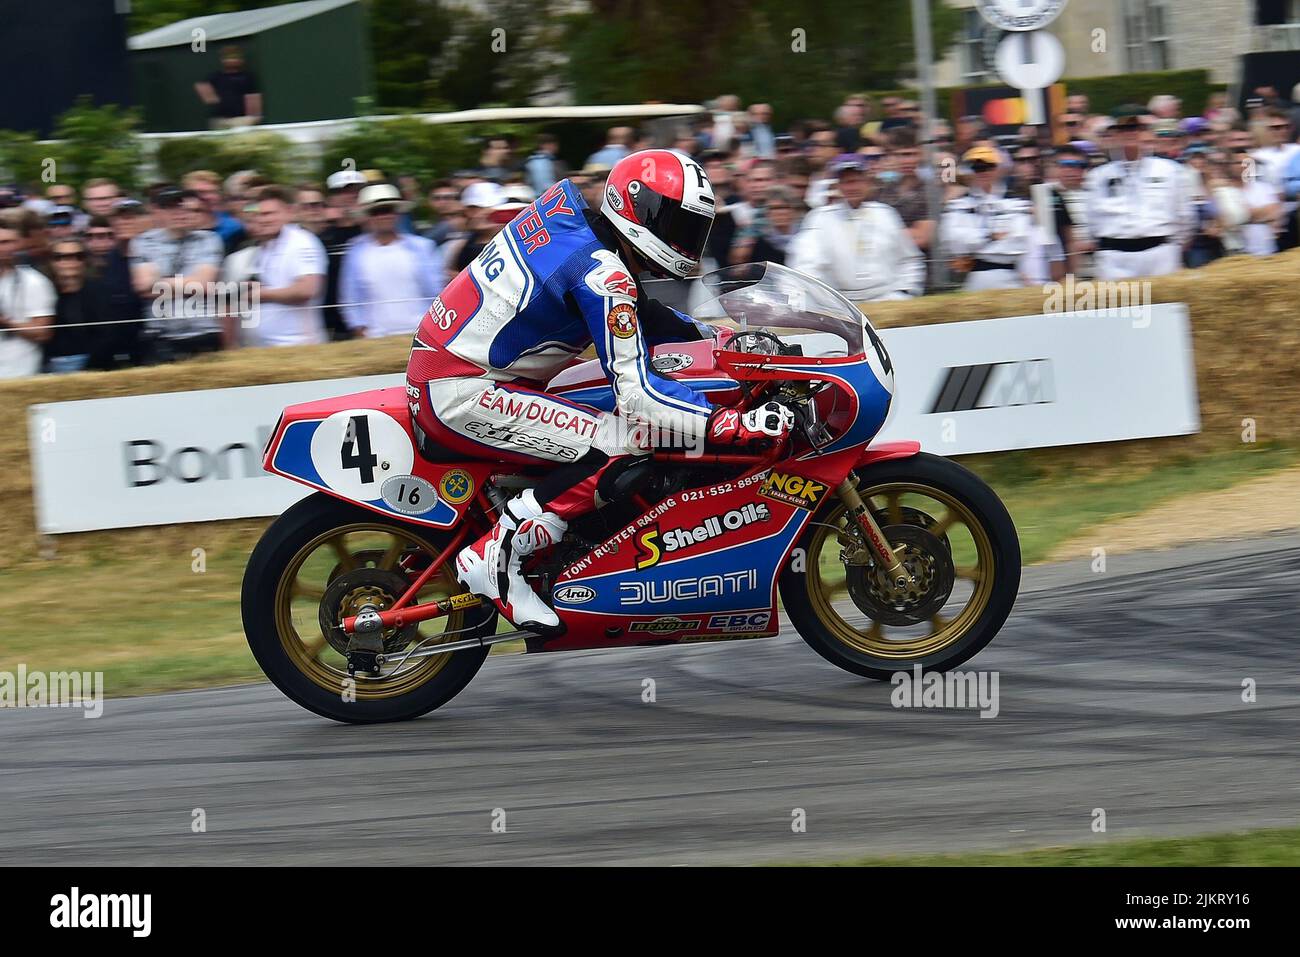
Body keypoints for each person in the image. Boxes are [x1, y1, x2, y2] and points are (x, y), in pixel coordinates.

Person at [405, 150, 793, 632]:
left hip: (460, 368)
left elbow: (642, 312)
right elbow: (639, 398)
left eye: (694, 229)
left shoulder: (572, 218)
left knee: (609, 412)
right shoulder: (601, 274)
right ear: (636, 209)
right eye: (674, 223)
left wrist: (717, 337)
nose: (684, 241)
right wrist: (728, 423)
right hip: (464, 390)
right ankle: (497, 553)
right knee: (631, 440)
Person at [788, 154, 924, 300]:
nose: (852, 187)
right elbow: (807, 263)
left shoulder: (886, 214)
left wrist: (905, 292)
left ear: (867, 182)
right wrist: (820, 298)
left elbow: (909, 260)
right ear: (838, 185)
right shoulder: (820, 218)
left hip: (888, 299)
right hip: (841, 303)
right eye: (846, 182)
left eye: (857, 181)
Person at [1085, 105, 1193, 280]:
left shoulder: (1170, 170)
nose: (1130, 133)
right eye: (1123, 129)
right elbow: (1092, 224)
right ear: (1113, 135)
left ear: (1146, 132)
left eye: (1136, 128)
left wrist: (1171, 247)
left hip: (1160, 255)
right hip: (1115, 259)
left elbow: (1185, 218)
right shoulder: (1098, 176)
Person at [128, 187, 225, 361]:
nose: (178, 213)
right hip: (160, 335)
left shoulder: (209, 239)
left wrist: (158, 282)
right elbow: (143, 286)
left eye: (183, 207)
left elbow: (203, 284)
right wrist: (190, 284)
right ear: (158, 212)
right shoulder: (143, 241)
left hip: (204, 332)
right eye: (170, 207)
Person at [338, 184, 444, 338]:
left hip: (423, 337)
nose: (383, 216)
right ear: (368, 216)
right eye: (376, 211)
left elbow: (438, 293)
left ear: (397, 214)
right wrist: (361, 331)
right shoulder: (355, 252)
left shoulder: (423, 247)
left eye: (388, 210)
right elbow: (350, 298)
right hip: (376, 338)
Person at [243, 185, 328, 347]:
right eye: (259, 215)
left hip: (298, 347)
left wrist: (261, 294)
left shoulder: (302, 242)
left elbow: (307, 289)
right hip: (267, 349)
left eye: (269, 214)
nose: (262, 219)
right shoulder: (265, 247)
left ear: (289, 212)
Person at [941, 146, 1033, 291]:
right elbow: (953, 241)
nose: (983, 172)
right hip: (975, 278)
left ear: (998, 169)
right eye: (977, 168)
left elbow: (1017, 243)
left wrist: (973, 244)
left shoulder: (1016, 203)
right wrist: (990, 236)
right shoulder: (959, 204)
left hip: (1010, 277)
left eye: (988, 166)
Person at [0, 215, 56, 378]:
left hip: (19, 373)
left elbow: (43, 333)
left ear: (20, 244)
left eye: (7, 242)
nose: (3, 248)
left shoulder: (34, 282)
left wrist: (6, 322)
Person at [45, 238, 111, 373]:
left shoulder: (100, 291)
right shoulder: (43, 292)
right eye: (60, 257)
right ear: (51, 262)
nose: (69, 262)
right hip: (50, 366)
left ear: (85, 260)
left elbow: (107, 335)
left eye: (77, 256)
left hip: (94, 366)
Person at [194, 45, 262, 129]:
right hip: (220, 119)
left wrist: (254, 117)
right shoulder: (215, 77)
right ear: (223, 60)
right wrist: (214, 101)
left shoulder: (247, 77)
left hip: (241, 119)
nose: (232, 60)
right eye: (228, 58)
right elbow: (201, 86)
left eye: (235, 57)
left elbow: (253, 96)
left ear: (241, 60)